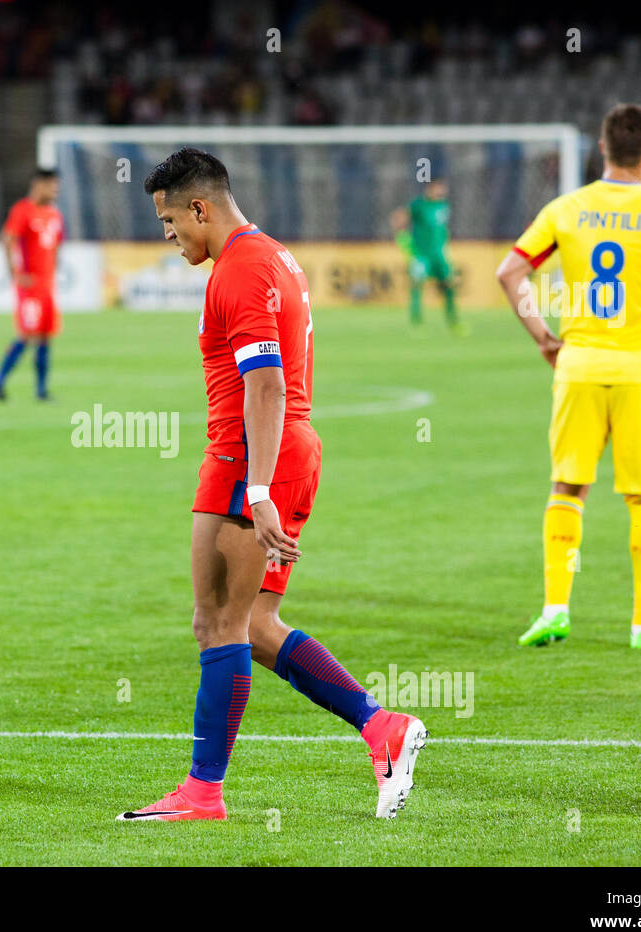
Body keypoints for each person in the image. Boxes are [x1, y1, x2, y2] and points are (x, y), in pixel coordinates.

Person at [118, 148, 426, 822]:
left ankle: (202, 792)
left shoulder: (243, 270)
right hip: (283, 450)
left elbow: (266, 383)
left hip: (249, 455)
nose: (167, 234)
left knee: (217, 622)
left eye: (170, 219)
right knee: (253, 622)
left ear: (200, 207)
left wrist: (256, 490)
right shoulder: (270, 256)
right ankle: (382, 729)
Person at [497, 104, 641, 650]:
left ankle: (554, 609)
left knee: (568, 488)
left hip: (580, 367)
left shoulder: (568, 208)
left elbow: (511, 272)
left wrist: (543, 336)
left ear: (602, 148)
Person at [0, 168, 62, 402]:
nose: (55, 190)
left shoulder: (54, 215)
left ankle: (41, 391)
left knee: (45, 336)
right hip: (29, 287)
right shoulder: (23, 210)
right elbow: (7, 239)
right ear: (38, 185)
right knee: (27, 335)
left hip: (47, 286)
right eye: (51, 185)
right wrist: (15, 273)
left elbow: (55, 246)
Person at [406, 178, 462, 333]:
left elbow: (442, 230)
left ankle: (453, 320)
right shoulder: (418, 205)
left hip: (439, 255)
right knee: (417, 284)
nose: (442, 192)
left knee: (448, 285)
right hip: (422, 254)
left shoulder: (443, 206)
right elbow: (400, 218)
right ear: (430, 188)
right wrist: (404, 240)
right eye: (439, 188)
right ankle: (416, 321)